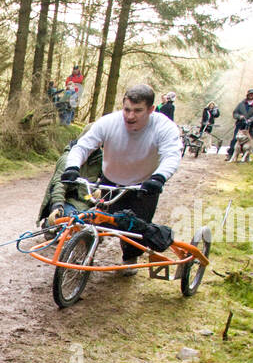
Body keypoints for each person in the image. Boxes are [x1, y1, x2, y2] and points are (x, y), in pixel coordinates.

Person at [59, 83, 183, 272]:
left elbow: (172, 155)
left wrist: (160, 177)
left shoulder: (164, 126)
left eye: (137, 111)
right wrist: (72, 167)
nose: (130, 116)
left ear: (151, 109)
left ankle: (130, 259)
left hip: (144, 186)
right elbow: (83, 146)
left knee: (135, 230)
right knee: (98, 219)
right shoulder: (109, 122)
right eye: (127, 109)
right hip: (110, 182)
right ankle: (83, 250)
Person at [39, 144, 103, 222]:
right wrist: (57, 206)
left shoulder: (100, 158)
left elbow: (110, 177)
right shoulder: (68, 159)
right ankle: (51, 227)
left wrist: (101, 188)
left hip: (89, 200)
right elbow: (59, 185)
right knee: (72, 221)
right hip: (68, 201)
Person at [227, 88, 253, 159]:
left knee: (248, 140)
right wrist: (240, 117)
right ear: (247, 94)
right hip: (240, 123)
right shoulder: (241, 103)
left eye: (252, 94)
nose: (251, 95)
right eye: (250, 94)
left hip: (250, 125)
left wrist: (250, 120)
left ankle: (246, 156)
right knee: (235, 139)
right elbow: (235, 113)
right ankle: (230, 154)